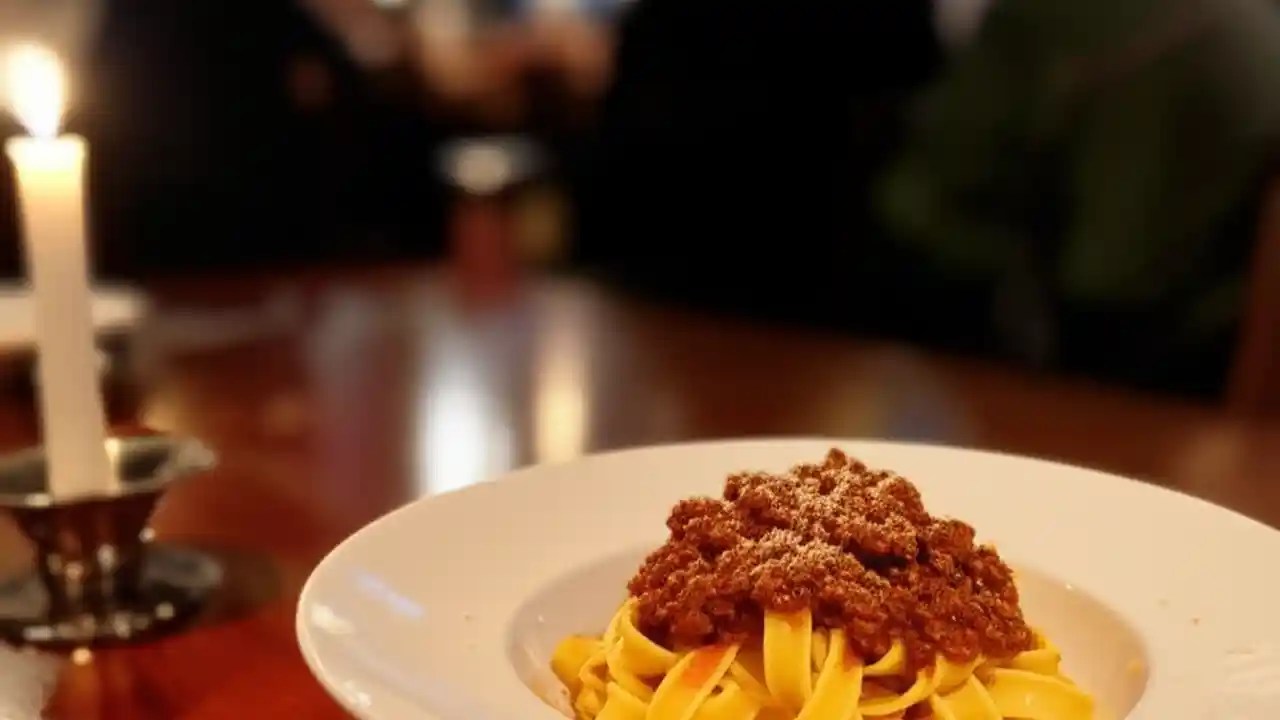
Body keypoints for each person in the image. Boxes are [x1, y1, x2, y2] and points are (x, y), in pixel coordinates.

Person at [877, 0, 1280, 395]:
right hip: (1201, 344)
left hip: (1098, 345)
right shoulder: (1257, 25)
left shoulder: (1041, 17)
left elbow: (928, 198)